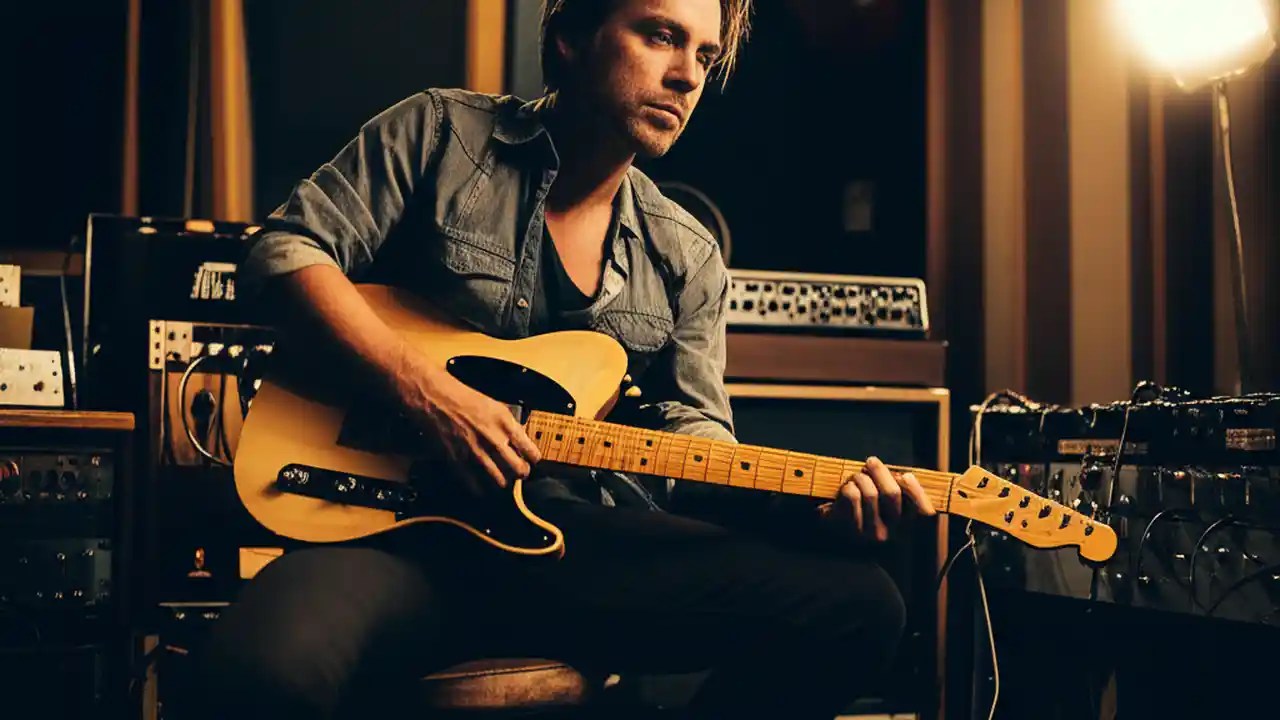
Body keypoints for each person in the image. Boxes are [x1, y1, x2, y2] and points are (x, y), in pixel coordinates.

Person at [195, 1, 938, 718]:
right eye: (660, 37)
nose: (687, 75)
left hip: (574, 552)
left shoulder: (686, 254)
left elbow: (694, 438)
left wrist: (810, 507)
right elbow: (282, 253)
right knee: (259, 674)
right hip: (392, 537)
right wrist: (424, 391)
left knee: (863, 606)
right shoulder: (441, 133)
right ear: (571, 39)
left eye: (704, 56)